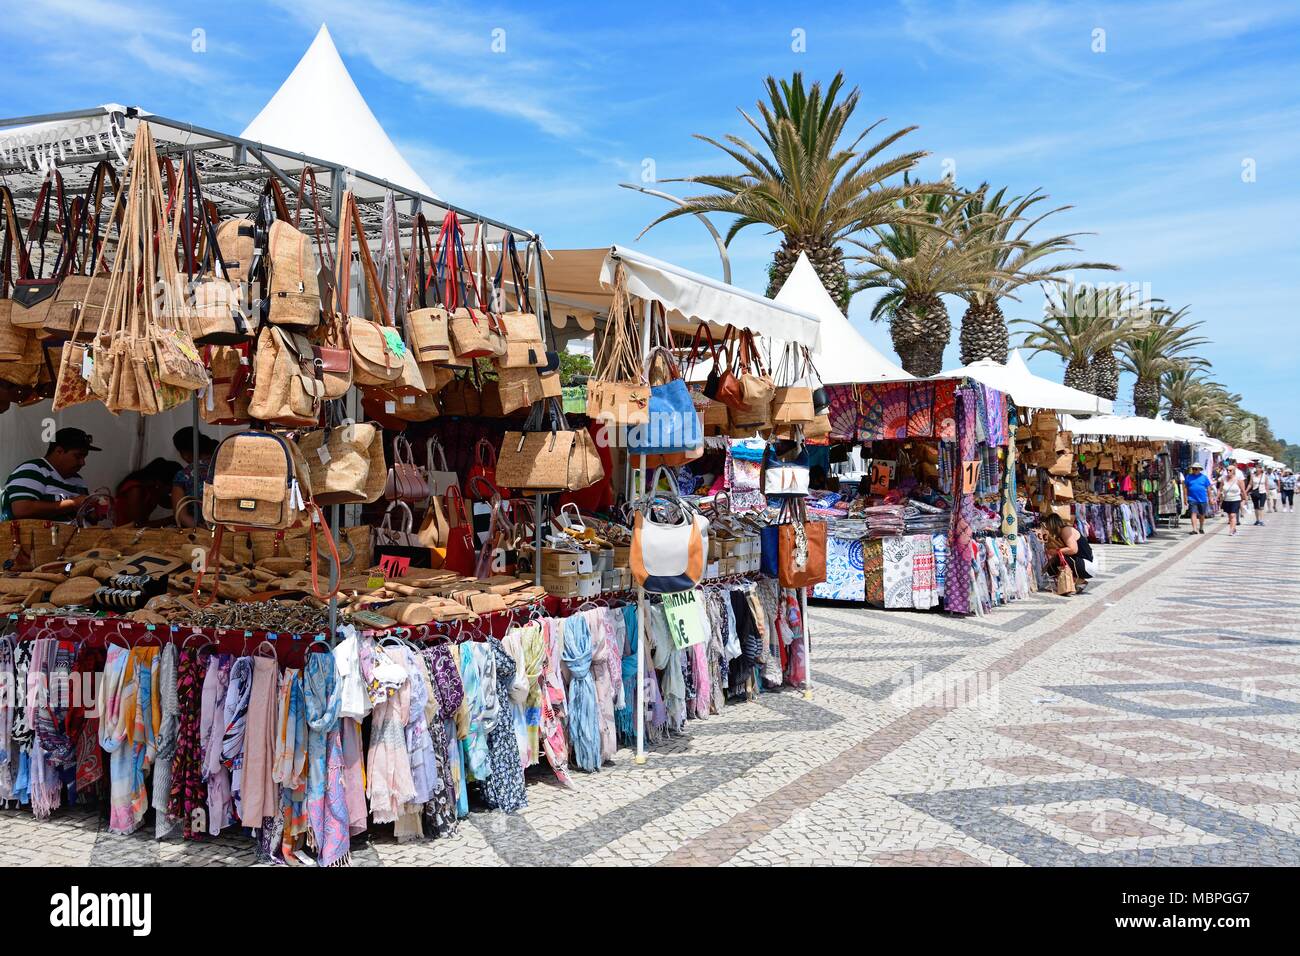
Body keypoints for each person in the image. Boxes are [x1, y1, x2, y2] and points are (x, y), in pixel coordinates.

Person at [0, 427, 99, 520]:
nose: (83, 463)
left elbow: (87, 517)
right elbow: (21, 510)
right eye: (78, 456)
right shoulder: (32, 470)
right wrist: (72, 504)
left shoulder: (78, 480)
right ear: (59, 451)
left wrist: (97, 511)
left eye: (84, 457)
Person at [170, 427, 219, 528]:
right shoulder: (225, 467)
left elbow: (181, 515)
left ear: (184, 453)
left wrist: (204, 530)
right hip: (230, 527)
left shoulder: (183, 476)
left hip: (202, 532)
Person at [114, 457, 183, 526]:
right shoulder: (135, 489)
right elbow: (136, 525)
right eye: (171, 489)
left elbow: (170, 502)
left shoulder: (154, 488)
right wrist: (170, 520)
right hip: (125, 532)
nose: (170, 492)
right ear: (161, 482)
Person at [1041, 512, 1094, 594]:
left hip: (1086, 564)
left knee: (1059, 558)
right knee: (1053, 564)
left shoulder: (1066, 530)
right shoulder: (1062, 532)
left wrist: (1055, 551)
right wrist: (1045, 568)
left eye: (1047, 526)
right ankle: (1074, 582)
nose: (1047, 529)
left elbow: (1073, 549)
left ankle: (1079, 580)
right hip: (1082, 562)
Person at [1184, 462, 1211, 535]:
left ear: (1199, 469)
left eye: (1196, 469)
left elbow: (1208, 488)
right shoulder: (1188, 477)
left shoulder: (1204, 477)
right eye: (1193, 469)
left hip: (1202, 499)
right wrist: (1185, 498)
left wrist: (1210, 498)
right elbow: (1186, 488)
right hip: (1192, 498)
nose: (1194, 470)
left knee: (1202, 514)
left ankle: (1201, 527)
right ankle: (1194, 529)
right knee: (1193, 513)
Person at [1220, 461, 1246, 535]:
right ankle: (1234, 528)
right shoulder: (1223, 479)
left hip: (1236, 499)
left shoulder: (1238, 480)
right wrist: (1217, 497)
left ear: (1234, 471)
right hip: (1227, 499)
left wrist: (1245, 499)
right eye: (1227, 470)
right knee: (1229, 516)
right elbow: (1220, 489)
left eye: (1230, 470)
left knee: (1232, 515)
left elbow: (1243, 490)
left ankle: (1231, 530)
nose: (1228, 471)